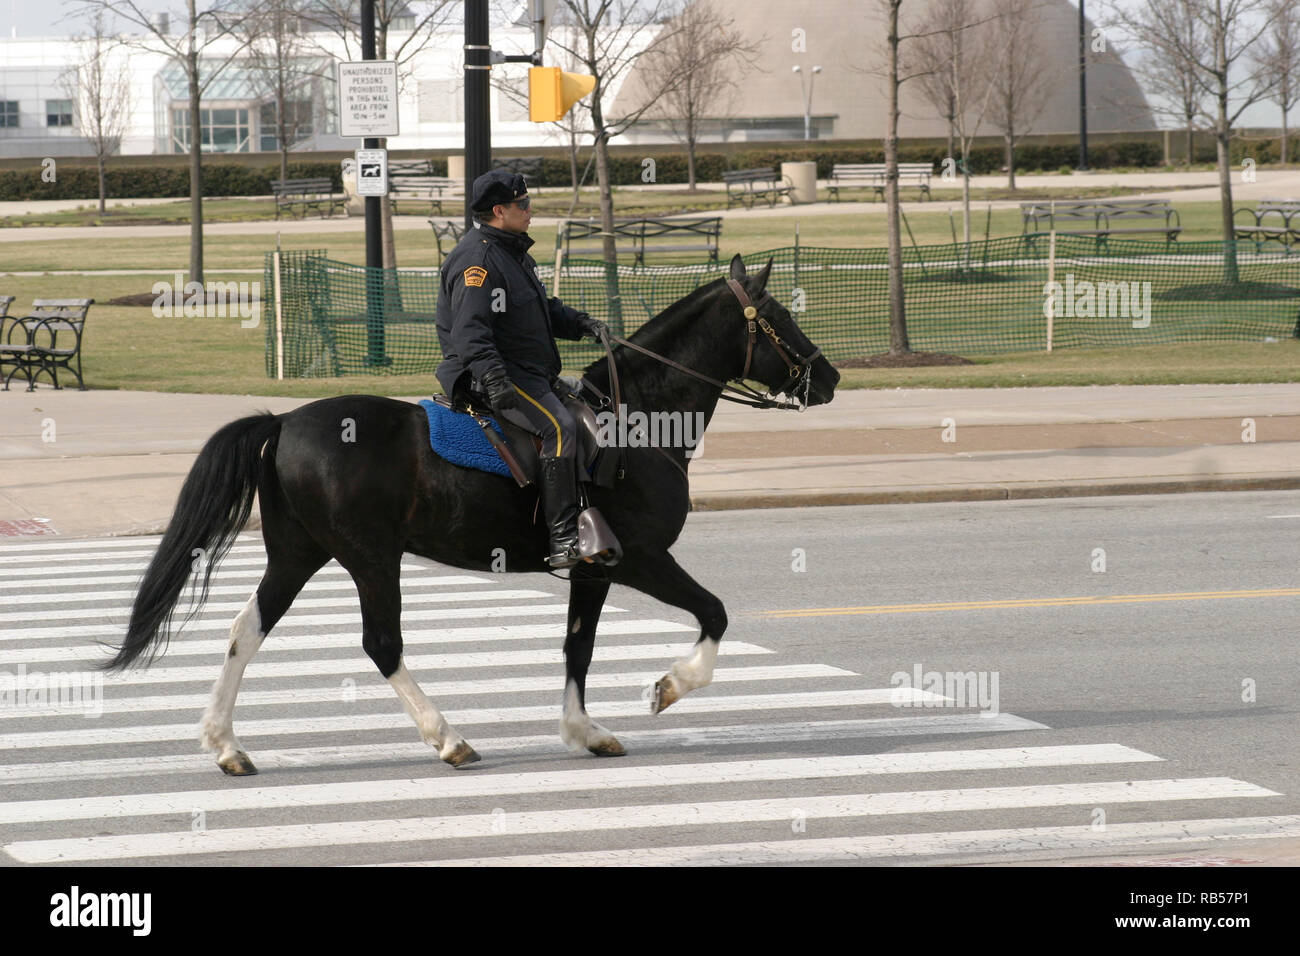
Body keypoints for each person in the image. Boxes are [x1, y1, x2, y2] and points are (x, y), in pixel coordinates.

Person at [435, 169, 605, 568]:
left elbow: (539, 309)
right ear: (499, 211)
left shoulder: (512, 253)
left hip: (528, 370)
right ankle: (562, 537)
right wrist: (493, 379)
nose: (530, 211)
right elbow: (471, 333)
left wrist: (580, 324)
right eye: (523, 205)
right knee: (558, 428)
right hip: (496, 374)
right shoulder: (477, 261)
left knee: (594, 403)